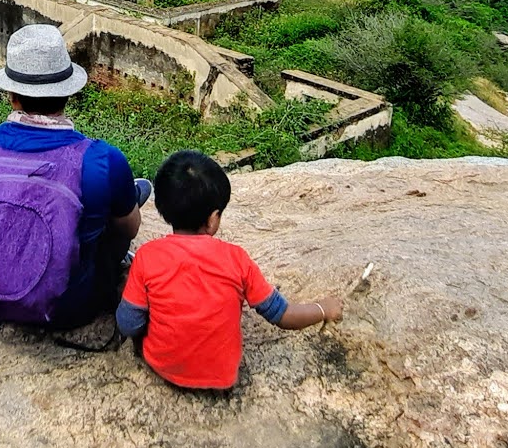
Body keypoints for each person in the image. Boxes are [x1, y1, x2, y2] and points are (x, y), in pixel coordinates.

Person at [0, 23, 147, 331]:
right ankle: (130, 196)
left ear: (11, 95)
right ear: (68, 92)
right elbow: (131, 228)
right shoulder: (103, 160)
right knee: (117, 211)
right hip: (68, 310)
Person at [116, 150, 341, 390]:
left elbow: (128, 324)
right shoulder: (237, 259)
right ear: (213, 219)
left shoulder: (147, 256)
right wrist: (323, 309)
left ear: (163, 211)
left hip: (164, 367)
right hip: (221, 376)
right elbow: (282, 315)